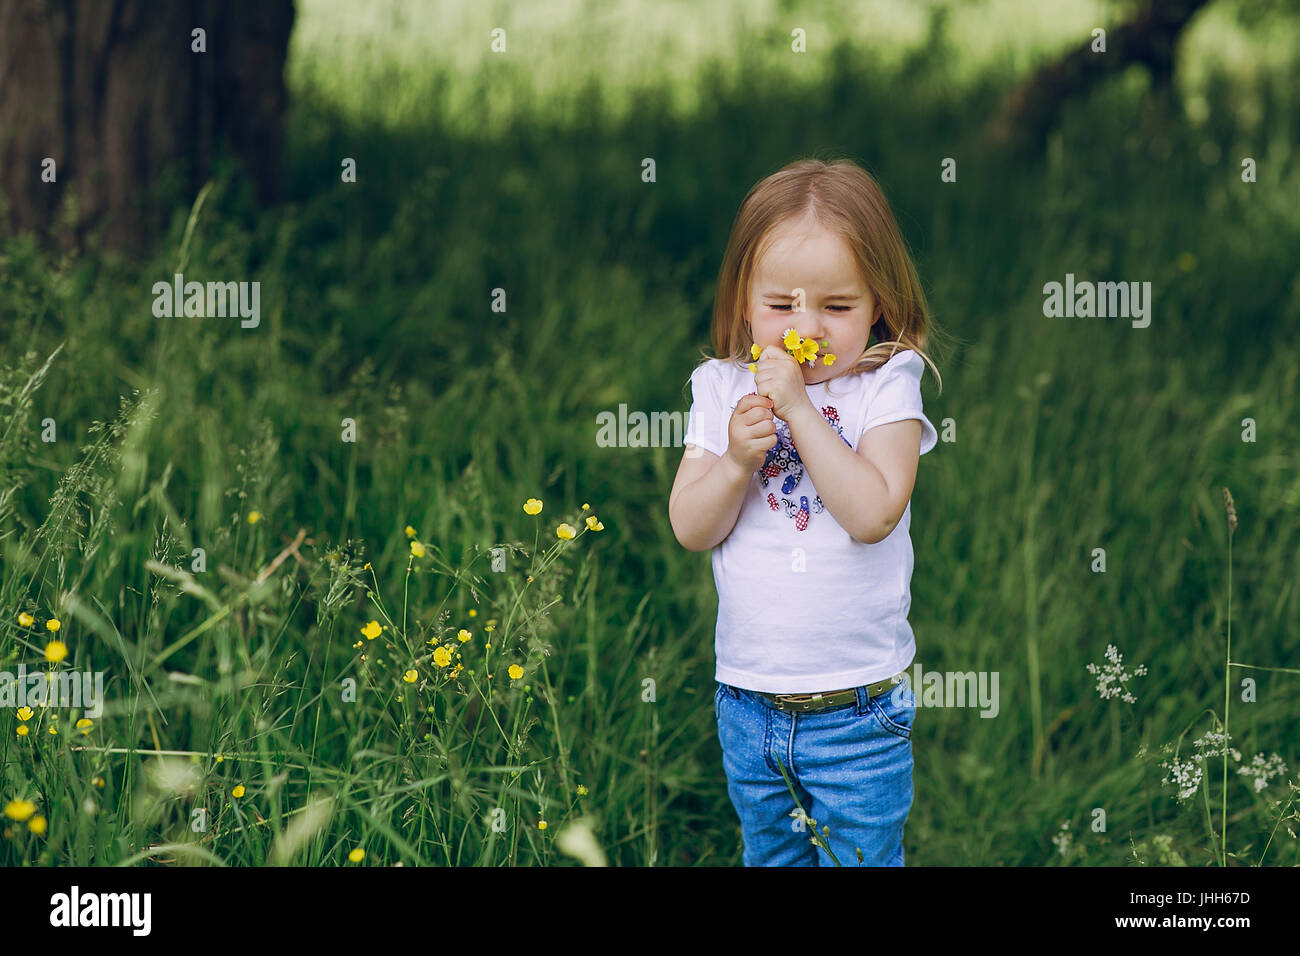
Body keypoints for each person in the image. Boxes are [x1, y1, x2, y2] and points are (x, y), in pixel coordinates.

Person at [669, 156, 944, 866]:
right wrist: (733, 463)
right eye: (781, 306)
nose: (807, 329)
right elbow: (691, 527)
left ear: (879, 301)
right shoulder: (721, 389)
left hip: (857, 712)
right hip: (749, 703)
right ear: (742, 305)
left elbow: (874, 511)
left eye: (837, 307)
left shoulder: (886, 386)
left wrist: (798, 407)